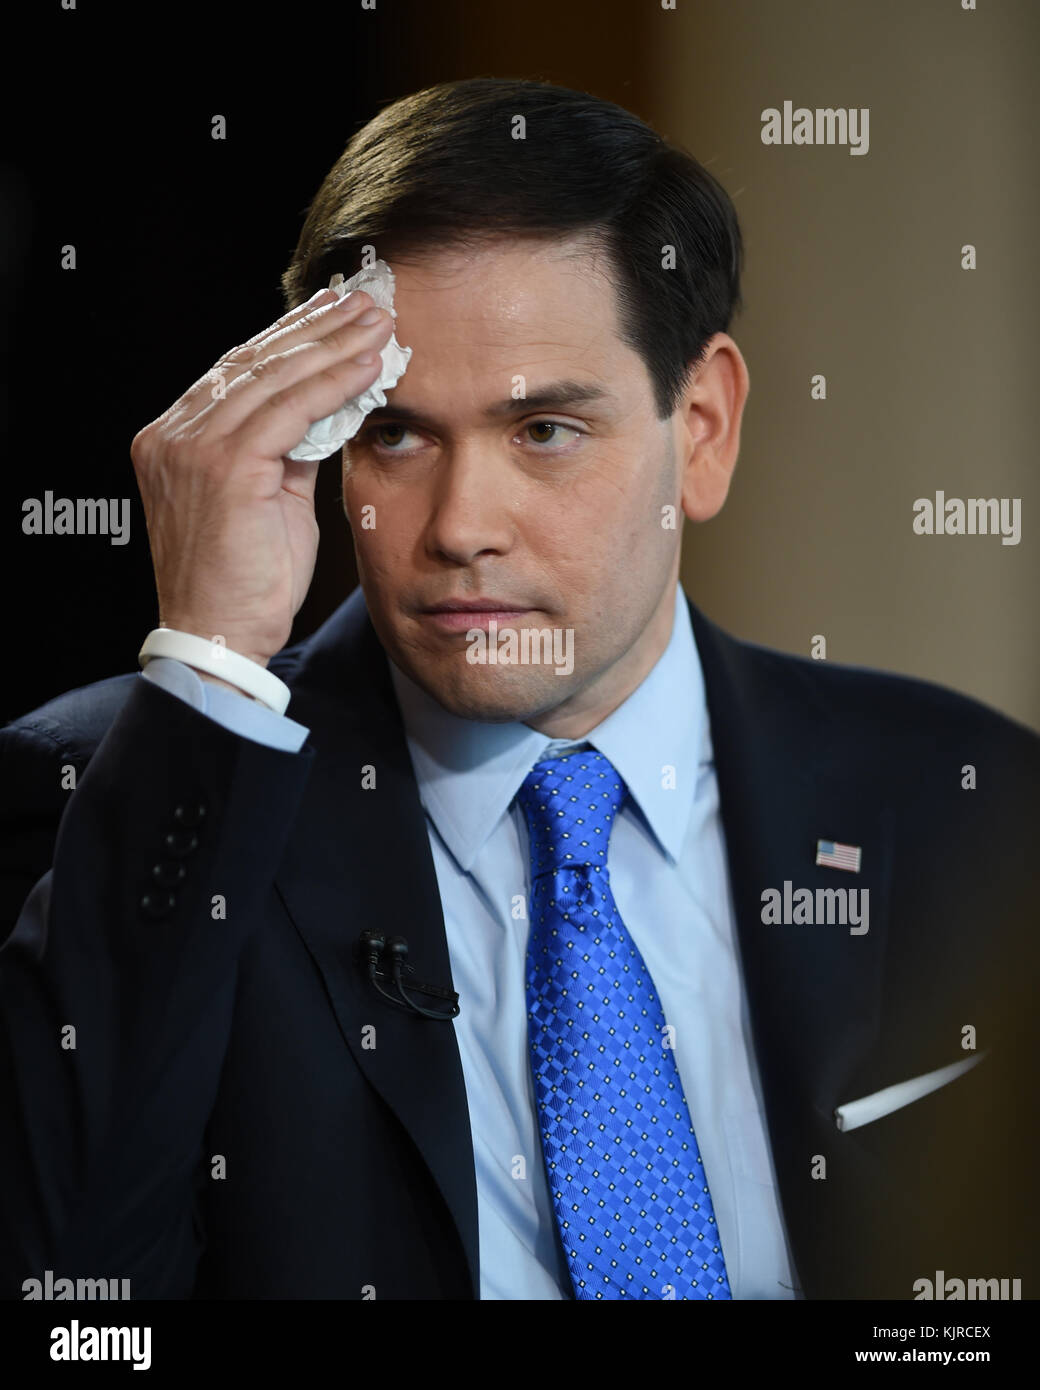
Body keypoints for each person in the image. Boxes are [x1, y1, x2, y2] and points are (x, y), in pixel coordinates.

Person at [1, 78, 1036, 1302]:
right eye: (392, 433)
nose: (458, 526)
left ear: (698, 427)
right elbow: (68, 1297)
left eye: (543, 429)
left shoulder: (973, 804)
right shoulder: (119, 794)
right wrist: (212, 665)